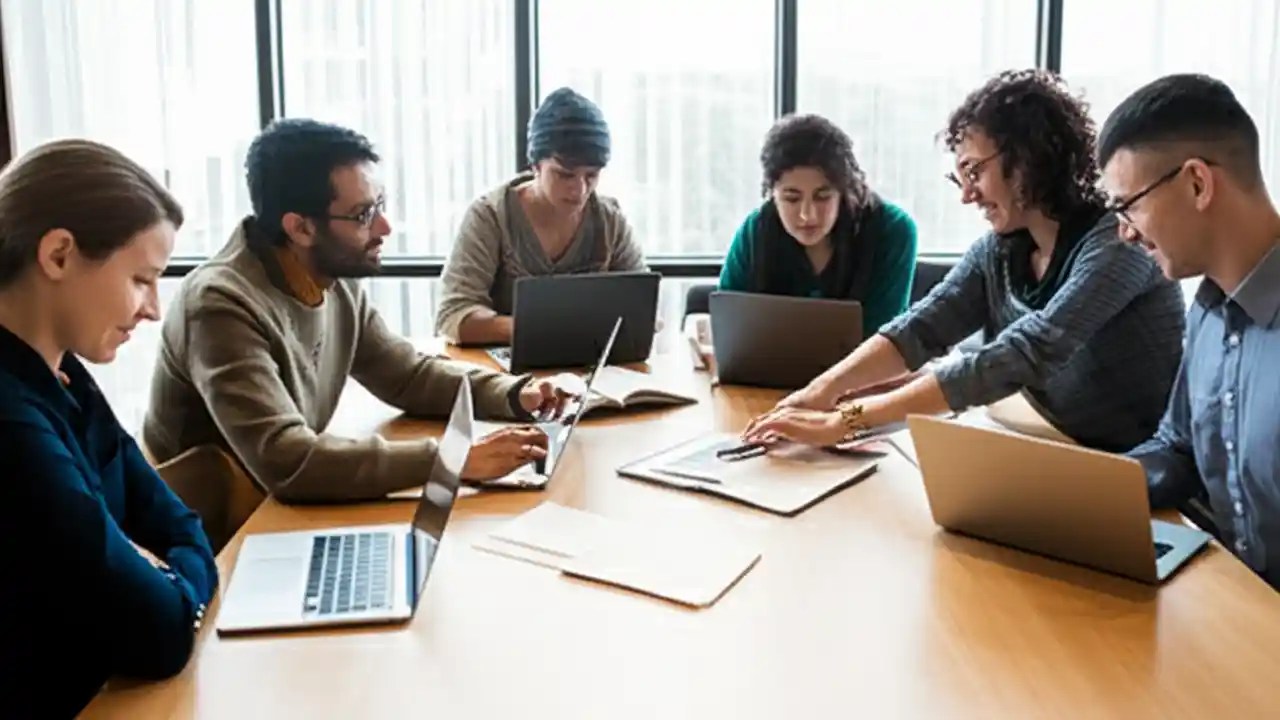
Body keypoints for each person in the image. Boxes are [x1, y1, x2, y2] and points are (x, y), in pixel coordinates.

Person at [744, 69, 1186, 453]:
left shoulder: (1120, 241)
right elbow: (922, 327)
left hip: (1134, 472)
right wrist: (818, 393)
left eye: (974, 171)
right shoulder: (1002, 248)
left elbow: (1028, 352)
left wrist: (848, 420)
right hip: (1044, 447)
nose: (966, 193)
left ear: (1029, 156)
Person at [143, 119, 571, 504]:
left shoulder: (331, 276)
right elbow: (288, 461)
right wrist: (453, 458)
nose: (384, 227)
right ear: (300, 227)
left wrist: (516, 394)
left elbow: (407, 375)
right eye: (364, 214)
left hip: (277, 507)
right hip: (217, 533)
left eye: (380, 204)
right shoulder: (221, 304)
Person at [0, 139, 217, 717]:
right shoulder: (10, 416)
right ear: (60, 255)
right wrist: (170, 581)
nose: (153, 309)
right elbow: (159, 632)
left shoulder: (65, 370)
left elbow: (183, 526)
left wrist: (164, 572)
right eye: (142, 279)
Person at [1101, 74, 1280, 590]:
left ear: (1197, 183)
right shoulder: (1207, 309)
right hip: (1235, 606)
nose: (1125, 231)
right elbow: (1178, 448)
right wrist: (1074, 492)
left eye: (1127, 205)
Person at [436, 86, 647, 345]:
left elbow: (644, 308)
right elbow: (453, 316)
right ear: (535, 165)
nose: (580, 190)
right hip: (504, 375)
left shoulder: (609, 219)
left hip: (590, 369)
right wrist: (545, 329)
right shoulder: (491, 216)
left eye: (591, 175)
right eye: (564, 174)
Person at [719, 113, 918, 338]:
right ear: (772, 193)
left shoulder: (891, 230)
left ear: (843, 191)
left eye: (822, 197)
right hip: (765, 372)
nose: (807, 215)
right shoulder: (755, 231)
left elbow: (883, 339)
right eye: (791, 199)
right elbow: (729, 325)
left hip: (866, 372)